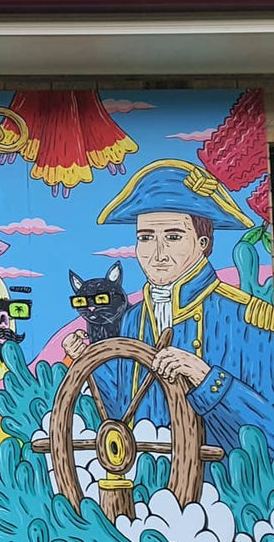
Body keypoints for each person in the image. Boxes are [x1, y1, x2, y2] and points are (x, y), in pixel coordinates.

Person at [63, 159, 274, 455]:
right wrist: (90, 362)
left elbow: (269, 431)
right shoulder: (133, 319)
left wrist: (205, 377)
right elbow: (124, 409)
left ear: (203, 242)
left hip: (223, 490)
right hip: (147, 487)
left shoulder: (246, 317)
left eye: (173, 237)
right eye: (146, 238)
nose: (157, 253)